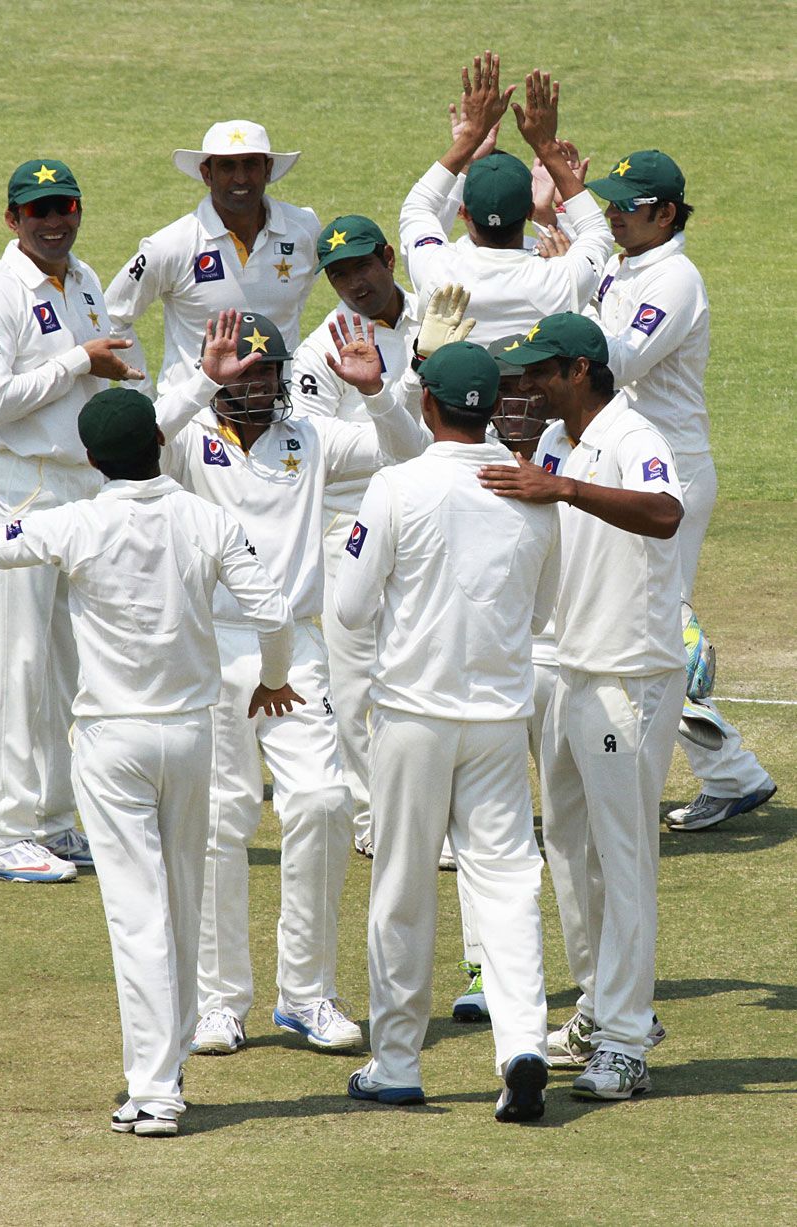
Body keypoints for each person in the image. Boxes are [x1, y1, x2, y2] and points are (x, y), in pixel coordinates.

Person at [0, 389, 295, 1137]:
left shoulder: (79, 520)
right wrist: (274, 678)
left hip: (113, 741)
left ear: (91, 459)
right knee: (181, 899)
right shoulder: (207, 516)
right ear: (158, 443)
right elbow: (275, 612)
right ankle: (170, 1056)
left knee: (138, 912)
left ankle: (155, 1090)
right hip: (191, 736)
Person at [153, 309, 423, 1056]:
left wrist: (376, 393)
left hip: (299, 649)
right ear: (221, 377)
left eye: (268, 374)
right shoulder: (187, 441)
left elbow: (407, 455)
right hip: (209, 648)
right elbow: (132, 440)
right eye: (245, 374)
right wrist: (201, 379)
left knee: (326, 800)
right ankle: (217, 1000)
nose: (260, 386)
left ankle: (306, 994)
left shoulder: (306, 435)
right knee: (219, 820)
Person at [334, 341, 560, 1122]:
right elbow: (540, 613)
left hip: (412, 716)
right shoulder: (534, 492)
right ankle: (522, 1042)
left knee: (401, 885)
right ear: (491, 407)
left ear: (427, 404)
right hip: (499, 715)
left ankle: (397, 1061)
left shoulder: (397, 484)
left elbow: (351, 609)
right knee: (504, 882)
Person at [479, 312, 687, 1100]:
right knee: (568, 847)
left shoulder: (635, 433)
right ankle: (601, 1008)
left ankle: (630, 1039)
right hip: (571, 666)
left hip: (628, 676)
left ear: (578, 370)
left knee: (623, 854)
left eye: (539, 371)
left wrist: (560, 485)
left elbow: (664, 513)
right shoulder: (565, 441)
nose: (527, 385)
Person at [0, 157, 144, 883]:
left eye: (65, 205)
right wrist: (75, 363)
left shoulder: (86, 280)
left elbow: (98, 364)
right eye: (39, 210)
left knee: (70, 664)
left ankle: (53, 821)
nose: (55, 220)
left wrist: (113, 379)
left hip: (82, 490)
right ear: (13, 220)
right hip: (21, 491)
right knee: (17, 662)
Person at [585, 151, 775, 830]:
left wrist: (567, 310)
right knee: (642, 623)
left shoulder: (675, 279)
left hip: (672, 477)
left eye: (625, 207)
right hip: (633, 466)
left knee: (651, 630)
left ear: (665, 214)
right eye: (608, 203)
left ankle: (724, 771)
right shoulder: (627, 263)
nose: (612, 215)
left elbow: (622, 359)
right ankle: (733, 773)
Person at [290, 214, 423, 855]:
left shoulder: (439, 315)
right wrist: (402, 423)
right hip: (350, 526)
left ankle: (428, 813)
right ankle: (374, 821)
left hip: (433, 518)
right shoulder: (322, 348)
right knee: (354, 682)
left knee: (425, 670)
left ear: (389, 259)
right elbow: (319, 448)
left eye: (362, 266)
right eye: (339, 274)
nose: (354, 283)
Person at [452, 335, 555, 1024]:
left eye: (527, 388)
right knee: (482, 833)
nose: (517, 403)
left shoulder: (574, 452)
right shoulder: (471, 466)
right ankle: (484, 968)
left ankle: (601, 986)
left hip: (569, 662)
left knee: (571, 837)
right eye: (505, 390)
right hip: (495, 672)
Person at [400, 57, 612, 344]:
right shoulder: (559, 280)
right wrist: (546, 148)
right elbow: (596, 231)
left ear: (464, 212)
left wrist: (471, 137)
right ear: (528, 211)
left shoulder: (437, 270)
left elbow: (418, 206)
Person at [104, 120, 321, 400]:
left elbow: (298, 299)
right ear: (207, 174)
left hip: (278, 411)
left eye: (250, 165)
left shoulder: (305, 229)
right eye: (228, 167)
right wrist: (141, 395)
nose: (241, 178)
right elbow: (112, 316)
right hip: (195, 424)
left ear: (268, 170)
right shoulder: (169, 245)